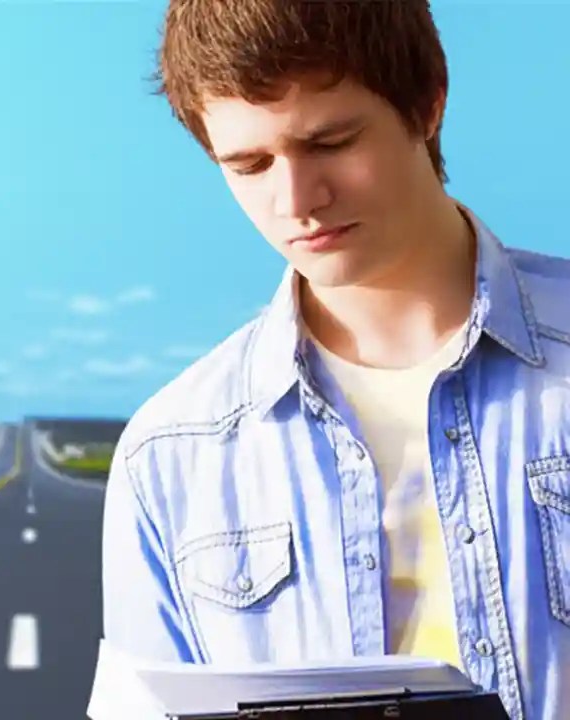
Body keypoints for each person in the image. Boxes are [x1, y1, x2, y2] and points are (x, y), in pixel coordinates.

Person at [88, 2, 569, 719]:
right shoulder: (169, 456)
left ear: (428, 102)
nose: (298, 201)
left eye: (332, 142)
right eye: (248, 165)